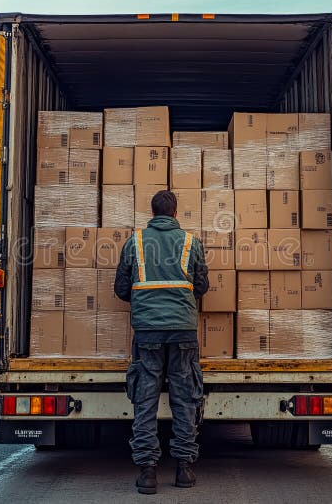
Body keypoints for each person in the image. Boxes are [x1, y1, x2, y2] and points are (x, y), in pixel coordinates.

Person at [114, 190, 209, 495]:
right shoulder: (192, 243)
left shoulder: (135, 243)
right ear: (176, 214)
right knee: (184, 401)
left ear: (152, 213)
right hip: (182, 333)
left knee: (145, 402)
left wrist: (145, 299)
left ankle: (147, 473)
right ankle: (184, 469)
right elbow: (202, 286)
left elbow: (121, 289)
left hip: (147, 334)